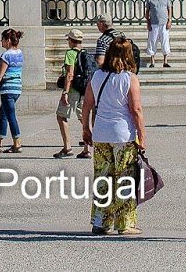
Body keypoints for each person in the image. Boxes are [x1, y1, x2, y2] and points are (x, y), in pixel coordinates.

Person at [81, 34, 146, 236]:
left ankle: (101, 221)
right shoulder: (129, 78)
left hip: (101, 133)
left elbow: (87, 104)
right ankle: (124, 222)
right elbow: (136, 110)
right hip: (123, 134)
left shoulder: (98, 76)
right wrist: (142, 136)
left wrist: (85, 128)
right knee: (124, 178)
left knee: (103, 177)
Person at [0, 28, 25, 153]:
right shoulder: (19, 53)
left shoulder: (6, 55)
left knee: (11, 116)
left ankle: (17, 143)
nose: (0, 41)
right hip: (17, 88)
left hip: (7, 89)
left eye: (2, 39)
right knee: (3, 113)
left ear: (8, 40)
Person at [55, 30, 91, 159]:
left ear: (70, 40)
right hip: (84, 90)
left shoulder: (70, 54)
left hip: (73, 90)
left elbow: (70, 74)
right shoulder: (85, 53)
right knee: (84, 118)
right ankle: (87, 148)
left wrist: (65, 92)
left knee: (61, 116)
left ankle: (67, 147)